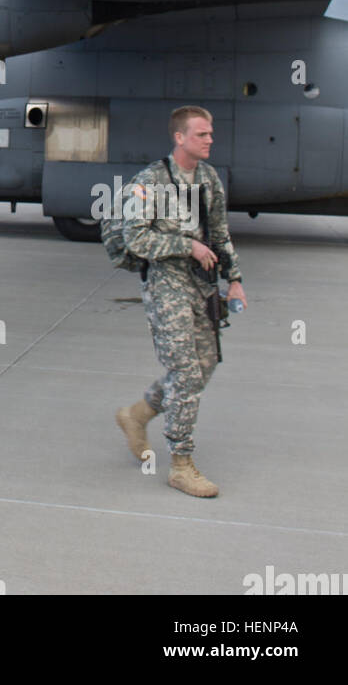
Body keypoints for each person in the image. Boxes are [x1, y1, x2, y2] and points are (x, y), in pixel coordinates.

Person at [115, 106, 247, 497]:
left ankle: (136, 415)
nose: (210, 140)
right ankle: (181, 464)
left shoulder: (208, 179)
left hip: (202, 286)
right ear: (180, 137)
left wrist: (235, 279)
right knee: (186, 373)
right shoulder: (151, 180)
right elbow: (135, 239)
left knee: (204, 364)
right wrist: (185, 245)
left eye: (210, 134)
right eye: (202, 135)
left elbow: (220, 233)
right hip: (165, 285)